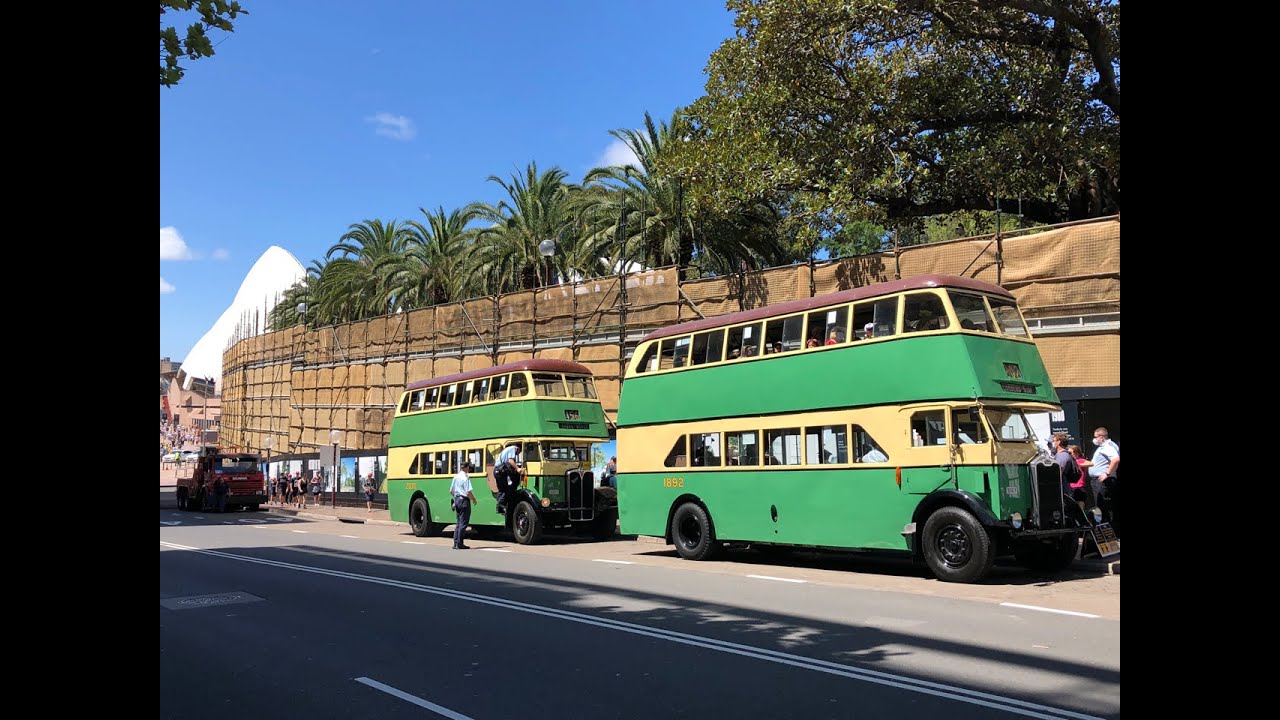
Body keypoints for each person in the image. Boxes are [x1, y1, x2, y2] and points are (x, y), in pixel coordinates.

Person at [1082, 427, 1121, 535]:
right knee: (1103, 506)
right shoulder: (1106, 446)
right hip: (1100, 480)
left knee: (1102, 505)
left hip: (1102, 481)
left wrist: (1107, 473)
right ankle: (1107, 530)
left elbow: (1116, 459)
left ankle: (1106, 531)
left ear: (1101, 438)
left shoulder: (1106, 447)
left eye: (1095, 437)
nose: (1094, 440)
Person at [450, 461, 477, 549]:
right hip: (464, 501)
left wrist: (457, 498)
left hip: (457, 499)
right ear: (467, 468)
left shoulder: (456, 477)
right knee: (463, 523)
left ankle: (455, 543)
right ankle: (460, 543)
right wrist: (473, 499)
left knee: (458, 523)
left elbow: (451, 491)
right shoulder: (465, 478)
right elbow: (468, 492)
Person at [493, 442, 523, 514]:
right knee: (508, 488)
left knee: (501, 489)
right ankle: (500, 505)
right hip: (501, 471)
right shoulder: (512, 449)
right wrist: (518, 468)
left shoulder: (506, 450)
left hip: (497, 471)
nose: (517, 454)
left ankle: (500, 506)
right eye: (519, 452)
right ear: (517, 448)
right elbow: (510, 461)